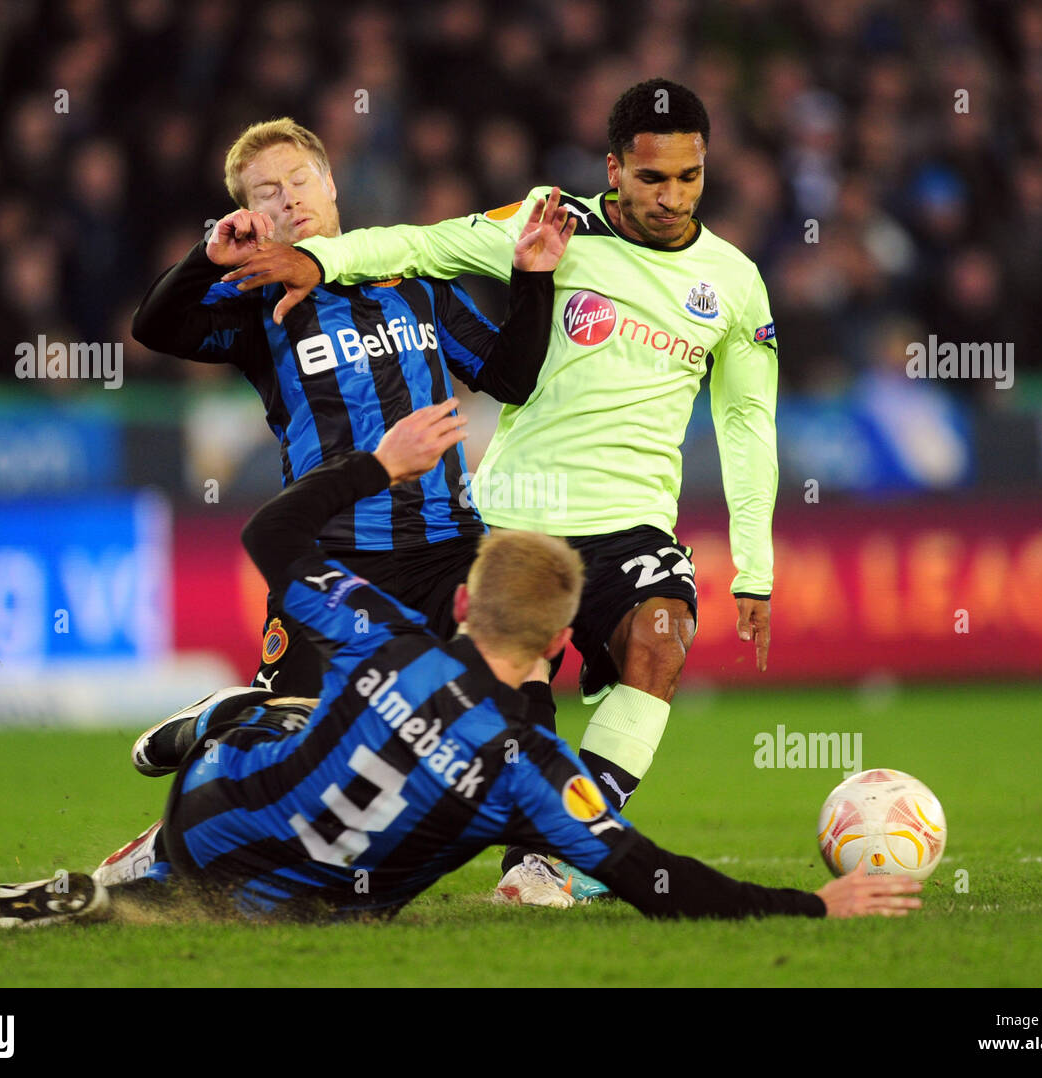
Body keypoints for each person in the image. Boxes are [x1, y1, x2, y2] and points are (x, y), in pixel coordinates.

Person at [0, 403, 921, 927]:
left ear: (463, 601)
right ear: (555, 641)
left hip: (210, 816)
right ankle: (132, 888)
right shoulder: (537, 779)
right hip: (304, 908)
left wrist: (379, 465)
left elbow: (269, 533)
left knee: (294, 718)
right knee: (290, 876)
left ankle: (207, 758)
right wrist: (810, 905)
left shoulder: (377, 632)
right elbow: (656, 880)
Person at [217, 79, 779, 901]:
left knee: (662, 639)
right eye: (653, 178)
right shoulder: (549, 221)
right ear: (615, 168)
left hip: (632, 524)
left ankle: (550, 857)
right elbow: (419, 245)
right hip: (516, 517)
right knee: (467, 715)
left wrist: (755, 567)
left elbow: (748, 425)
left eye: (689, 177)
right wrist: (320, 258)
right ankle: (234, 794)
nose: (672, 196)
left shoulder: (734, 283)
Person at [107, 119, 572, 886]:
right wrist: (207, 255)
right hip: (331, 552)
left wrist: (532, 278)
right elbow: (157, 327)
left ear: (329, 185)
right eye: (265, 193)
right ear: (248, 211)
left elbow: (510, 376)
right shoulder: (258, 299)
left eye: (297, 181)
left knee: (517, 665)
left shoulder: (416, 281)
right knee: (292, 753)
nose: (286, 200)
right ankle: (207, 758)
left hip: (446, 541)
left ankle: (535, 862)